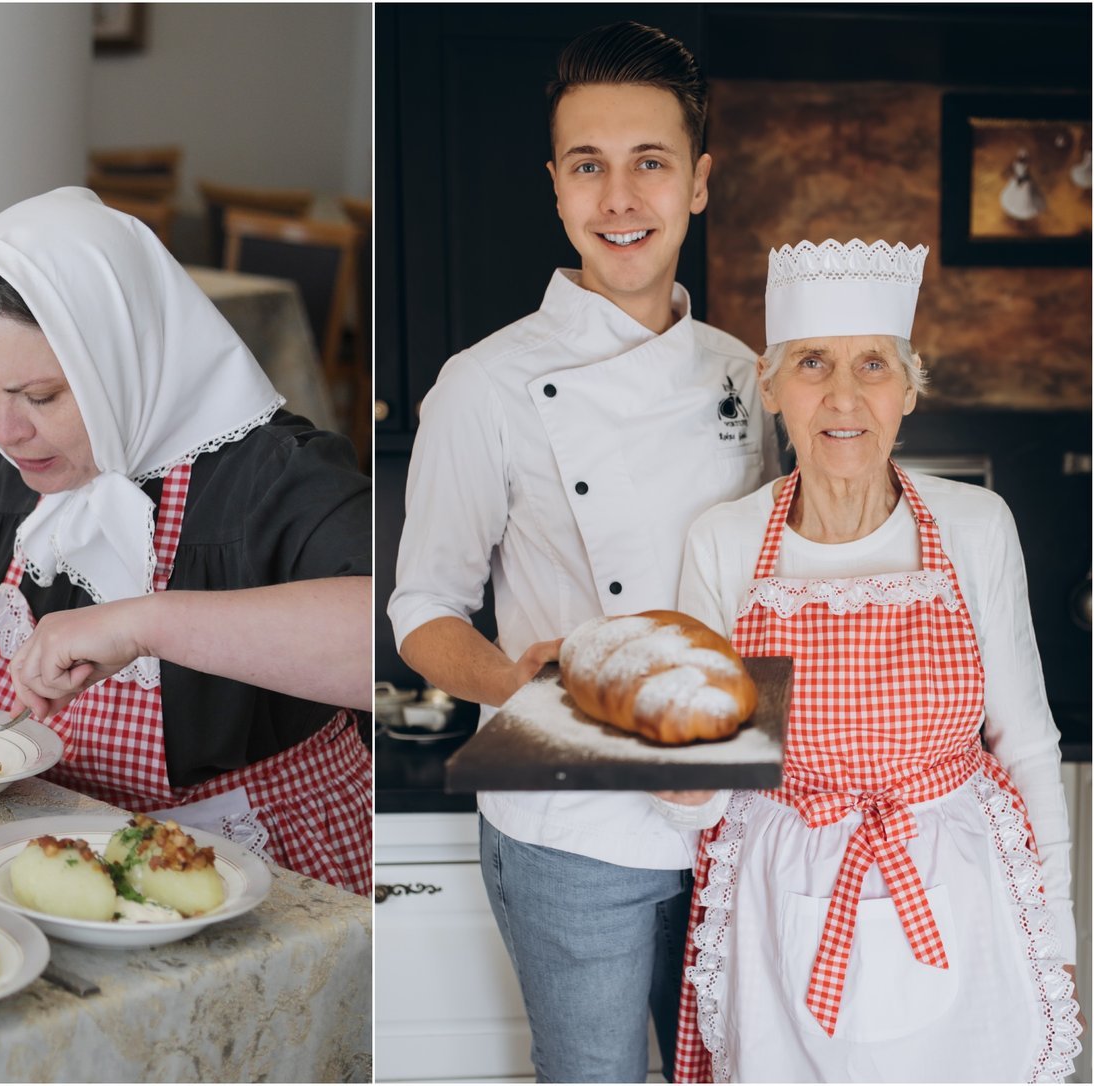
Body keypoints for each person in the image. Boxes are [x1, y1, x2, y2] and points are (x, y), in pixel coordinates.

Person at [386, 21, 775, 1082]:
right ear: (554, 188)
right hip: (567, 822)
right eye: (587, 166)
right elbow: (418, 610)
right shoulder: (484, 385)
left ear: (695, 183)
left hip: (733, 811)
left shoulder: (744, 371)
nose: (617, 198)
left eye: (647, 163)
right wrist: (513, 683)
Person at [669, 239, 1081, 1081]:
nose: (843, 395)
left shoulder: (975, 526)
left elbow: (1029, 746)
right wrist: (674, 776)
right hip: (780, 899)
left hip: (964, 893)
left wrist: (1061, 938)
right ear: (770, 383)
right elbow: (700, 790)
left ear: (910, 389)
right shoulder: (724, 542)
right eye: (813, 363)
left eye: (874, 365)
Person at [0, 186, 373, 894]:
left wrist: (143, 624)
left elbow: (399, 637)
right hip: (42, 869)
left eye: (42, 396)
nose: (7, 429)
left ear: (119, 359)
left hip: (250, 881)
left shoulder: (269, 475)